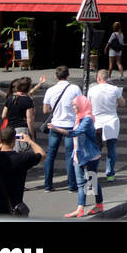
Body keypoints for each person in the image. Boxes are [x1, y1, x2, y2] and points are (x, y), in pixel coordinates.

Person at [0, 126, 45, 216]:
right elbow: (42, 154)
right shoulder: (22, 158)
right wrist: (30, 141)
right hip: (12, 207)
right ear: (14, 141)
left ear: (0, 140)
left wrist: (1, 144)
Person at [41, 65, 82, 193]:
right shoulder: (75, 88)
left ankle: (48, 185)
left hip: (55, 125)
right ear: (68, 75)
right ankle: (71, 185)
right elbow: (81, 106)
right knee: (70, 155)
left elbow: (45, 110)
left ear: (56, 76)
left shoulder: (50, 90)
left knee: (50, 155)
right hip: (70, 125)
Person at [65, 95, 104, 217]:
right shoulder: (79, 118)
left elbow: (76, 133)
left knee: (92, 180)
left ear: (82, 105)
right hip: (78, 154)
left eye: (75, 106)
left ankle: (99, 205)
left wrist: (58, 129)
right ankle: (80, 208)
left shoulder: (87, 119)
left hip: (90, 155)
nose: (73, 108)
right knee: (81, 183)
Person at [88, 69, 124, 181]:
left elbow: (88, 106)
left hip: (96, 122)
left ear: (98, 78)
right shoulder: (115, 89)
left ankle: (93, 173)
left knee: (96, 149)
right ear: (108, 78)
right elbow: (122, 103)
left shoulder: (92, 90)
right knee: (111, 148)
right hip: (112, 121)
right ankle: (110, 174)